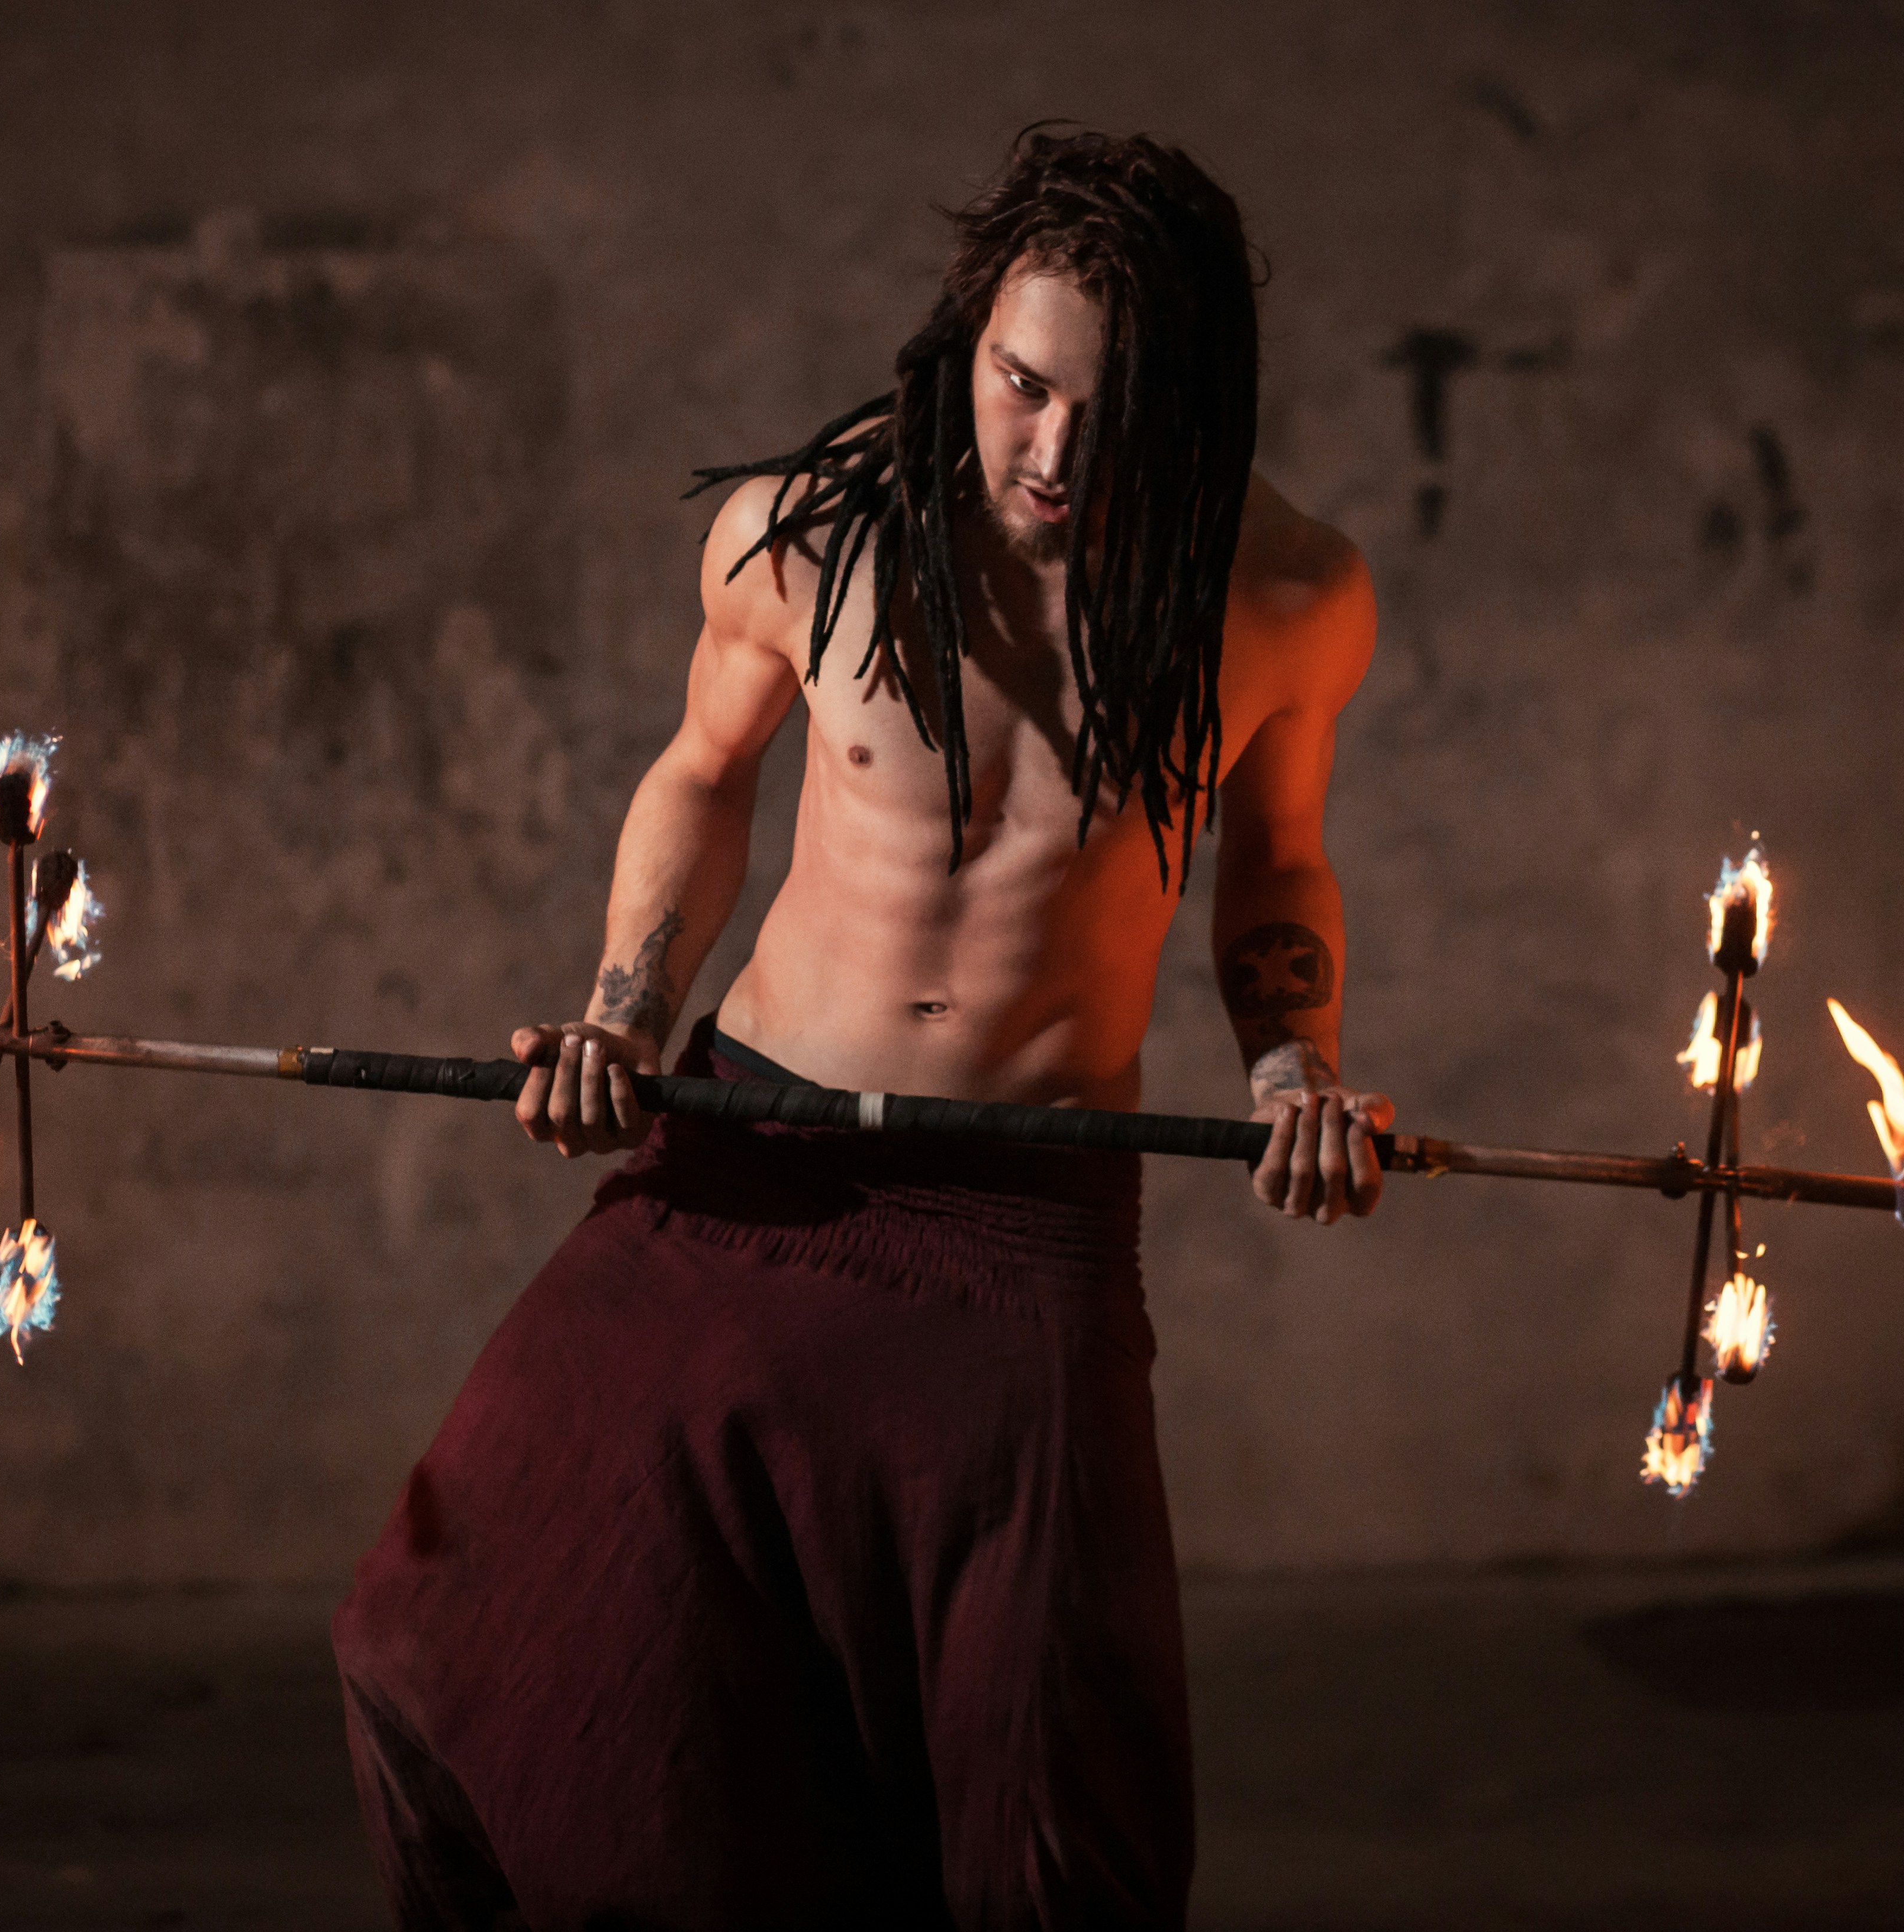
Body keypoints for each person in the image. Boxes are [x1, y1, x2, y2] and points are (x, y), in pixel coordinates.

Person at [333, 127, 1385, 1929]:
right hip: (749, 1165)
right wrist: (618, 1012)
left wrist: (1293, 1070)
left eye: (1109, 410)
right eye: (1022, 386)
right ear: (969, 334)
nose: (1054, 450)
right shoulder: (813, 534)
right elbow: (699, 773)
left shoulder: (1282, 595)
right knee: (450, 1623)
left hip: (1019, 1232)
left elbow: (1273, 871)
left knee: (1052, 1835)